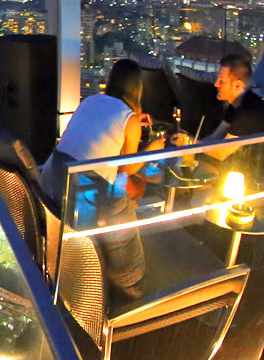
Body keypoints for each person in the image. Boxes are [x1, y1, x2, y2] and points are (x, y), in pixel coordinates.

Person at [38, 59, 178, 297]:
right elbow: (128, 169)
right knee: (126, 202)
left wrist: (133, 120)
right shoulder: (129, 120)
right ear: (137, 89)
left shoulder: (91, 100)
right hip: (82, 191)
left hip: (51, 176)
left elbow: (102, 130)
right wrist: (153, 147)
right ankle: (132, 290)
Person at [202, 53, 264, 161]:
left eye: (222, 81)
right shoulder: (236, 105)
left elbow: (222, 153)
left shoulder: (247, 113)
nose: (216, 84)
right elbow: (216, 137)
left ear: (237, 85)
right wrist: (189, 142)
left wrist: (188, 143)